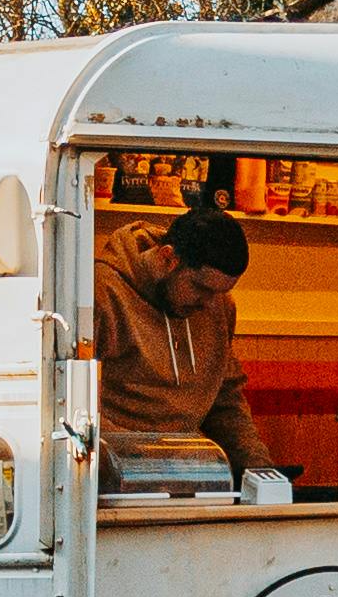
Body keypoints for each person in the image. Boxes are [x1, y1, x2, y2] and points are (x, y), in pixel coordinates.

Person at [93, 190, 267, 476]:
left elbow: (226, 402)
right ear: (167, 258)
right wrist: (151, 458)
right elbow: (78, 410)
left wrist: (259, 469)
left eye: (221, 292)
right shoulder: (101, 294)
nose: (209, 304)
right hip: (113, 472)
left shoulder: (219, 306)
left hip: (190, 469)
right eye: (202, 289)